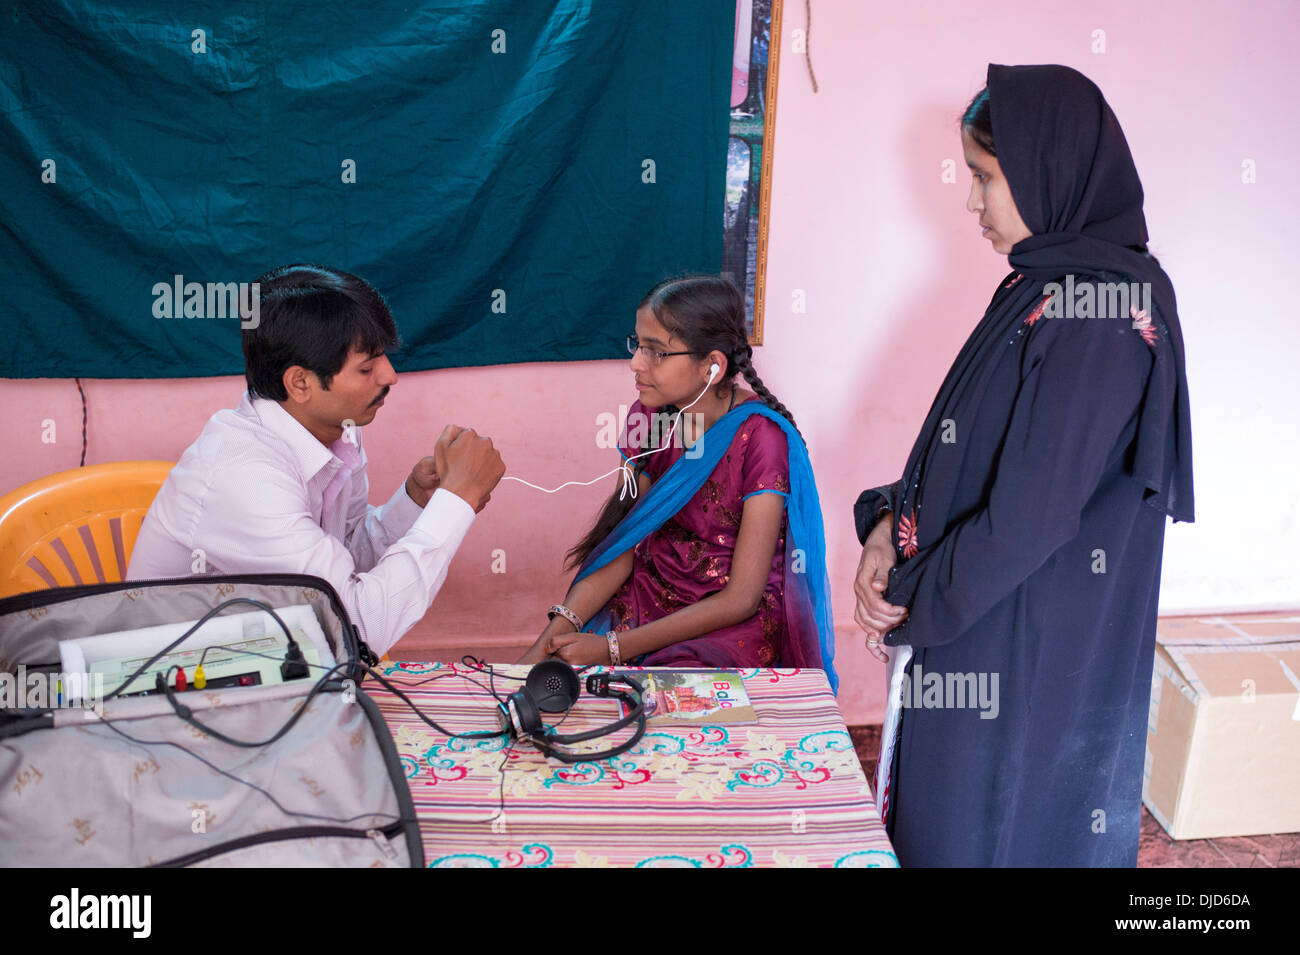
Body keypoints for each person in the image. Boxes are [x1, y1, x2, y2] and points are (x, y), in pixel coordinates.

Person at [852, 64, 1194, 867]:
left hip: (1018, 632)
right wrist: (883, 531)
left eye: (985, 179)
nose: (972, 205)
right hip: (978, 611)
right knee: (950, 816)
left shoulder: (1100, 313)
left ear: (1049, 173)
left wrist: (913, 600)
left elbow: (1028, 518)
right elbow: (965, 447)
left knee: (991, 824)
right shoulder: (1043, 288)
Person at [127, 264, 505, 661]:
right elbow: (354, 630)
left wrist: (417, 502)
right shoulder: (244, 477)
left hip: (272, 663)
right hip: (176, 685)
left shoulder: (337, 430)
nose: (390, 376)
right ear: (300, 383)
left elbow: (342, 560)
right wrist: (456, 502)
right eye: (366, 367)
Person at [518, 275, 836, 691]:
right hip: (647, 598)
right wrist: (542, 649)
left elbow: (741, 598)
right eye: (638, 345)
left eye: (657, 352)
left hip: (726, 623)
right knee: (559, 689)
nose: (636, 364)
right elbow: (620, 546)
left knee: (663, 704)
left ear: (713, 366)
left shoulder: (761, 438)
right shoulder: (647, 417)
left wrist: (612, 649)